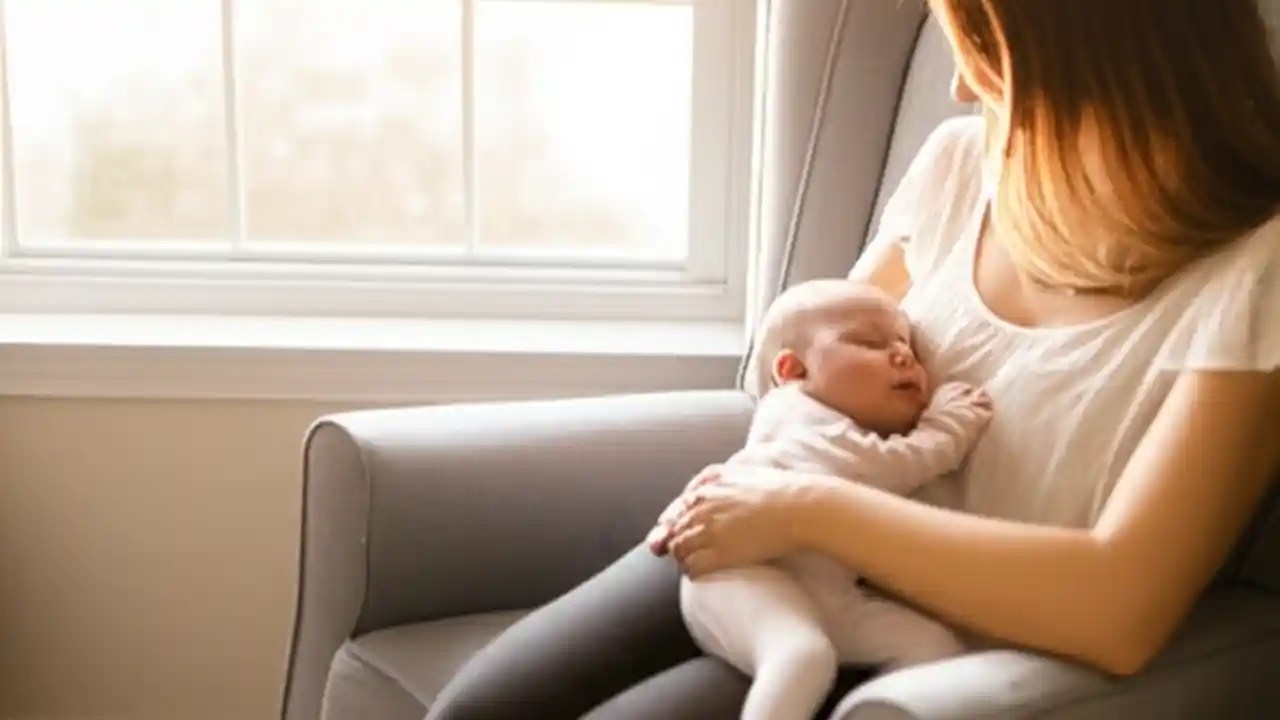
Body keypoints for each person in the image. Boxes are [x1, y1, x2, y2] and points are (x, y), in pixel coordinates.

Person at [426, 1, 1280, 717]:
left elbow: (1119, 608)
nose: (956, 84)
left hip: (901, 633)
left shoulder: (1257, 269)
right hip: (769, 534)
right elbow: (806, 360)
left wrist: (810, 506)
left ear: (1111, 56)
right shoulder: (962, 163)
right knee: (478, 709)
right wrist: (768, 481)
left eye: (985, 47)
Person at [680, 280, 993, 720]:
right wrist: (947, 423)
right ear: (792, 372)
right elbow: (900, 463)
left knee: (932, 646)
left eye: (909, 348)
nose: (903, 355)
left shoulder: (833, 424)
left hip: (823, 594)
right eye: (869, 343)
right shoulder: (803, 416)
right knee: (803, 655)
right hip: (742, 577)